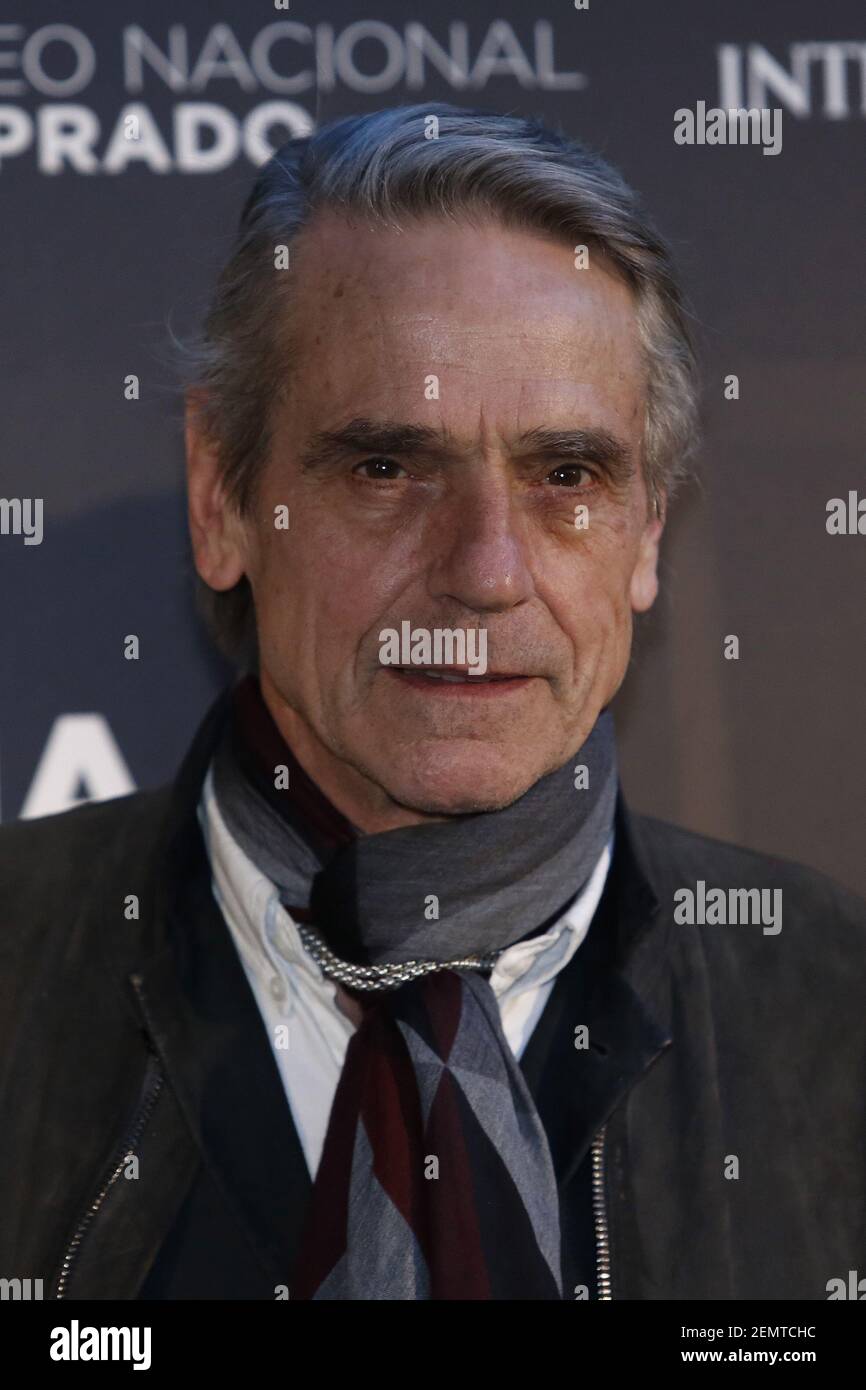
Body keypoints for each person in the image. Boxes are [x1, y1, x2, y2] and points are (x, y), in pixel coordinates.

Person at [1, 104, 863, 1302]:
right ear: (221, 495)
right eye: (387, 468)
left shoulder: (832, 1004)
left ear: (647, 529)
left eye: (567, 475)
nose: (486, 570)